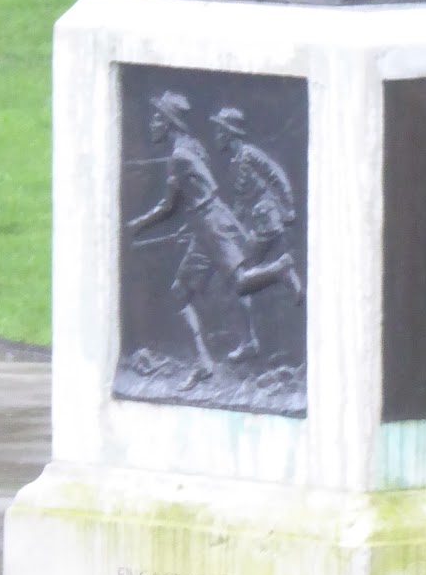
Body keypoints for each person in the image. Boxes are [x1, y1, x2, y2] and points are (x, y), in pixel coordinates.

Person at [128, 92, 302, 379]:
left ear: (170, 122)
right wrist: (194, 220)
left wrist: (137, 225)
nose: (152, 124)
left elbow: (170, 204)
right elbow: (201, 192)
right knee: (182, 292)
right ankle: (211, 360)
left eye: (158, 118)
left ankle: (279, 269)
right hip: (207, 222)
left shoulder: (180, 157)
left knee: (242, 282)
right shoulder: (193, 147)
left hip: (212, 225)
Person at [209, 106, 299, 271]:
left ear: (228, 133)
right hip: (257, 223)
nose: (216, 136)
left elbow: (277, 177)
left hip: (269, 219)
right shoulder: (234, 163)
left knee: (245, 268)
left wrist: (288, 211)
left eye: (219, 131)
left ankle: (283, 271)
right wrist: (229, 228)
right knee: (243, 266)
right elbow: (240, 203)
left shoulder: (250, 154)